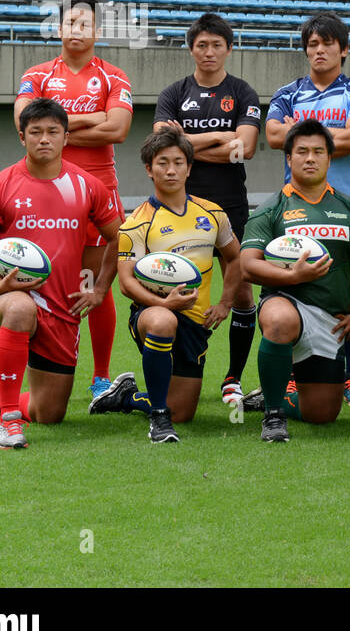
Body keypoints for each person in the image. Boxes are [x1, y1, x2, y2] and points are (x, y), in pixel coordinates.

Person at [0, 98, 121, 449]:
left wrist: (99, 289)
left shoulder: (87, 186)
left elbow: (118, 238)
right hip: (15, 295)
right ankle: (8, 420)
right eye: (35, 132)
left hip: (64, 308)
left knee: (48, 412)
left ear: (66, 138)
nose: (44, 139)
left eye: (53, 132)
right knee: (20, 309)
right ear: (22, 137)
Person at [15, 0, 132, 402]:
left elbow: (117, 129)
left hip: (99, 191)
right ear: (59, 28)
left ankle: (101, 377)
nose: (77, 30)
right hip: (46, 192)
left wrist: (57, 126)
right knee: (41, 281)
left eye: (85, 23)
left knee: (96, 283)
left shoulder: (115, 77)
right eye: (70, 23)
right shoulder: (36, 75)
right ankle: (35, 377)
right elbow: (23, 122)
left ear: (97, 31)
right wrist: (91, 118)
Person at [91, 129, 242, 443]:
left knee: (183, 412)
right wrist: (162, 304)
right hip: (151, 314)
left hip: (197, 322)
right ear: (149, 169)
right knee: (163, 322)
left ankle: (128, 396)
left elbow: (234, 257)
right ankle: (158, 418)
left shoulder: (213, 214)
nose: (170, 170)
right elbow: (127, 282)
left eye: (178, 162)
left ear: (189, 167)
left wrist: (226, 302)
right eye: (162, 163)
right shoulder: (136, 223)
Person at [238, 120, 350, 443]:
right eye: (301, 151)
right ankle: (273, 415)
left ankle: (276, 395)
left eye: (318, 151)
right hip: (285, 304)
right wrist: (293, 276)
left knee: (322, 415)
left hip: (331, 322)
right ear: (288, 159)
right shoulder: (270, 210)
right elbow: (248, 266)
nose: (310, 158)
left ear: (331, 158)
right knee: (278, 319)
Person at [265, 13, 350, 407]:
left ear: (343, 49)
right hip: (296, 210)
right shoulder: (287, 93)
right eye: (312, 45)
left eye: (327, 44)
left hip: (348, 207)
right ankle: (296, 374)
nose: (319, 51)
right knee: (298, 289)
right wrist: (330, 135)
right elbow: (275, 135)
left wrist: (303, 133)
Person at [153, 12, 261, 407]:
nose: (210, 51)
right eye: (202, 44)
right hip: (179, 209)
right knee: (174, 285)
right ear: (191, 49)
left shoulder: (243, 92)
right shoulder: (174, 93)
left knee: (243, 291)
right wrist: (220, 135)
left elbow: (244, 148)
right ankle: (178, 371)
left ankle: (233, 377)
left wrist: (189, 144)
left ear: (228, 49)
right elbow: (163, 147)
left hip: (230, 205)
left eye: (217, 44)